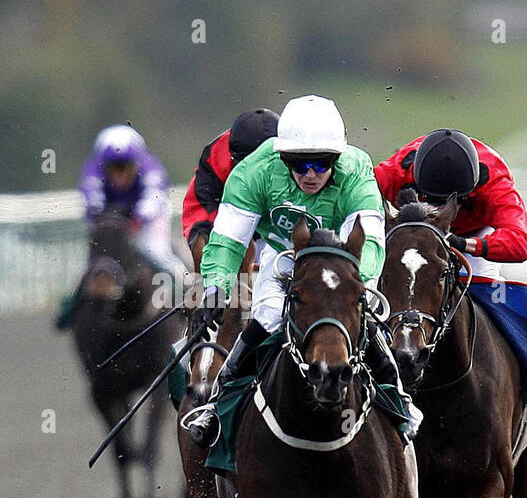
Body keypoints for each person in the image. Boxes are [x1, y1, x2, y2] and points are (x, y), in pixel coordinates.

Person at [181, 95, 418, 447]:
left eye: (321, 165)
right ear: (281, 157)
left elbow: (369, 241)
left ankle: (399, 403)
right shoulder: (254, 173)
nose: (310, 174)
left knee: (363, 322)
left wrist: (361, 286)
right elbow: (228, 242)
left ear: (337, 159)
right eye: (299, 164)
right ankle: (217, 405)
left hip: (342, 261)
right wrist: (216, 287)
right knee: (267, 318)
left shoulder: (356, 171)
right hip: (283, 258)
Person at [374, 129, 527, 395]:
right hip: (414, 233)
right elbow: (357, 201)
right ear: (415, 179)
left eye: (448, 203)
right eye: (431, 199)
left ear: (473, 189)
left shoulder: (494, 181)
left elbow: (521, 243)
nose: (440, 210)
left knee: (491, 291)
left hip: (470, 237)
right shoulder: (395, 170)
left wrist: (467, 244)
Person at [58, 125, 183, 329]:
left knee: (157, 254)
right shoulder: (93, 169)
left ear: (137, 164)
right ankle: (70, 307)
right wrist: (105, 218)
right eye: (114, 168)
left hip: (146, 223)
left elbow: (155, 197)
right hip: (111, 221)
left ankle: (186, 294)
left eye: (126, 167)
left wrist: (138, 217)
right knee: (92, 264)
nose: (120, 174)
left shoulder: (151, 167)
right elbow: (91, 197)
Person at [182, 108, 280, 253]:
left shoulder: (297, 157)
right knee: (201, 245)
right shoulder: (216, 156)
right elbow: (199, 207)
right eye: (243, 165)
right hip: (232, 217)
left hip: (279, 223)